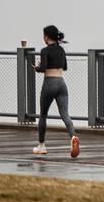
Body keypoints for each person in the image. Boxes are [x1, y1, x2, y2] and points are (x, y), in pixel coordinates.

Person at [31, 25, 79, 158]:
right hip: (61, 83)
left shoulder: (45, 50)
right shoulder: (62, 50)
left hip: (50, 83)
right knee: (65, 115)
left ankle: (41, 146)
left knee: (43, 115)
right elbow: (65, 67)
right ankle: (73, 137)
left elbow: (43, 68)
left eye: (44, 36)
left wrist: (37, 67)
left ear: (46, 36)